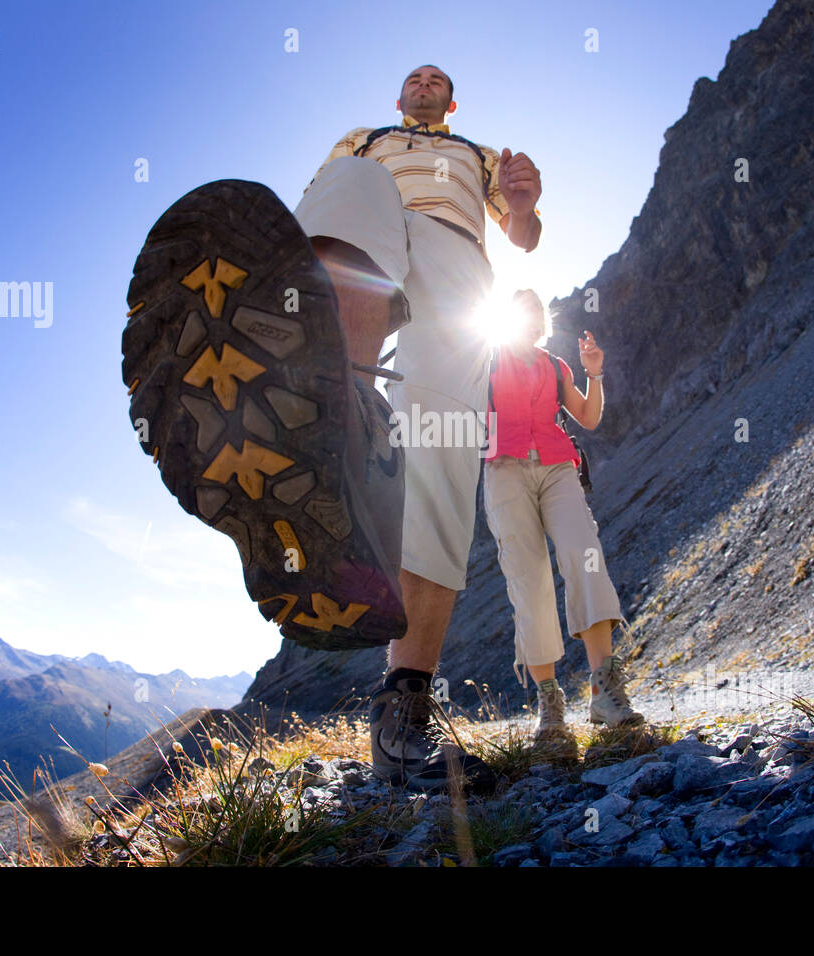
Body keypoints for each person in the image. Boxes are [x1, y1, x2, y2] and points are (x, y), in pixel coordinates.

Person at [121, 65, 542, 793]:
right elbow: (312, 213)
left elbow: (524, 238)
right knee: (354, 185)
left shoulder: (481, 157)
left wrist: (526, 203)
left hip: (459, 259)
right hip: (373, 224)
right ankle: (329, 401)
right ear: (399, 95)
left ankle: (403, 715)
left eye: (437, 80)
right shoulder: (367, 140)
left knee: (442, 458)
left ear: (451, 100)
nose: (424, 84)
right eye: (414, 78)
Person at [482, 290, 642, 751]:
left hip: (557, 466)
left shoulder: (556, 366)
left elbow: (588, 417)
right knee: (528, 579)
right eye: (521, 311)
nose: (530, 319)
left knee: (583, 553)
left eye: (536, 313)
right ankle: (550, 708)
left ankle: (605, 691)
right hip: (503, 471)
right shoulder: (484, 361)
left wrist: (594, 372)